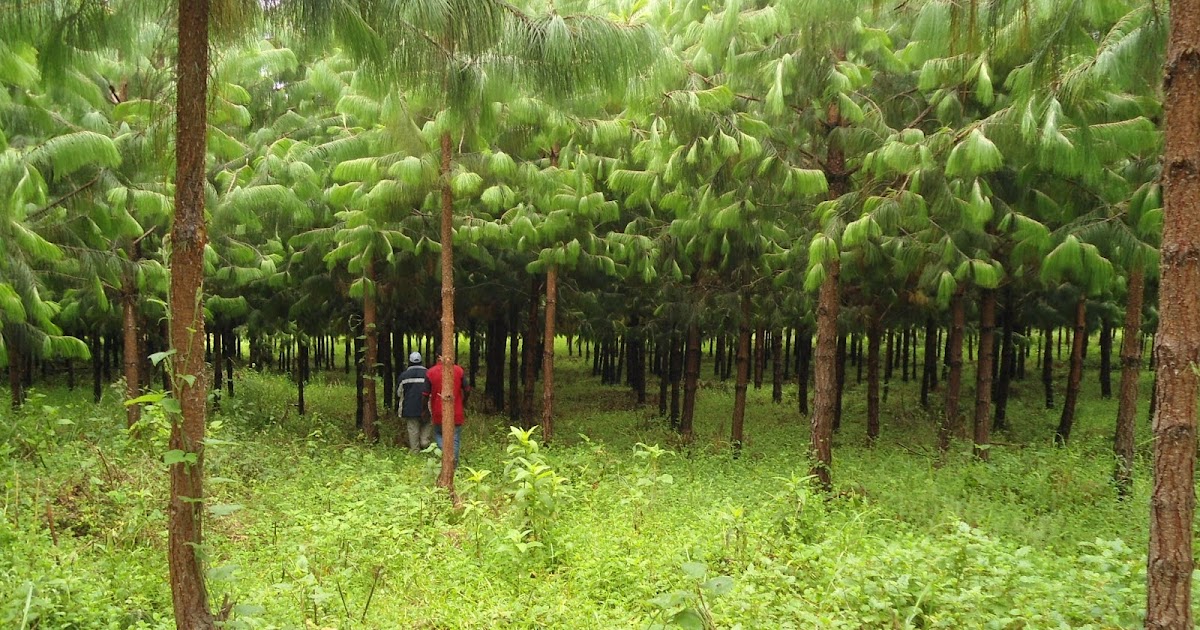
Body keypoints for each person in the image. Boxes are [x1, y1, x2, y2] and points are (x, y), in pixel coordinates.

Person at [424, 356, 470, 467]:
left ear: (437, 356)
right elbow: (467, 389)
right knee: (455, 440)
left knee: (439, 435)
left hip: (438, 412)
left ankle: (445, 458)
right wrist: (463, 402)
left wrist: (425, 409)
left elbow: (425, 394)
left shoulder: (430, 372)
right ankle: (453, 466)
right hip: (456, 412)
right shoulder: (459, 370)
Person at [396, 352, 432, 452]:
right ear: (421, 361)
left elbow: (399, 393)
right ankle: (425, 447)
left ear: (409, 362)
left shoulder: (403, 376)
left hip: (409, 409)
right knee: (425, 438)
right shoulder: (429, 374)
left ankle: (415, 454)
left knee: (413, 432)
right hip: (427, 409)